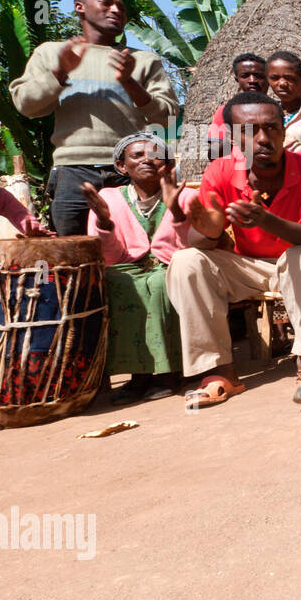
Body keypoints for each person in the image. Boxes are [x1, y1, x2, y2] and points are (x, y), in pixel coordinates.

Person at [167, 91, 301, 407]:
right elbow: (200, 243)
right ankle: (218, 371)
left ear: (284, 131)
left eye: (271, 128)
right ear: (231, 136)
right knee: (186, 261)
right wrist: (208, 228)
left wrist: (264, 219)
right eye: (249, 131)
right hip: (247, 266)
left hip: (295, 263)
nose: (263, 138)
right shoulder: (220, 172)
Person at [9, 0, 179, 236]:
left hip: (131, 173)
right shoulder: (52, 53)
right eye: (107, 3)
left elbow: (168, 118)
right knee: (74, 258)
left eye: (121, 7)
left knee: (138, 253)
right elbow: (26, 105)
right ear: (80, 8)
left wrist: (130, 83)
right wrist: (60, 72)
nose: (117, 10)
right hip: (73, 172)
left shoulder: (144, 61)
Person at [82, 132, 196, 404]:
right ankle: (138, 375)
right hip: (126, 265)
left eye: (157, 156)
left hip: (171, 262)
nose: (148, 160)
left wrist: (177, 212)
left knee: (158, 283)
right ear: (122, 166)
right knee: (119, 282)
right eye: (137, 155)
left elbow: (193, 244)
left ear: (168, 165)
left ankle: (168, 372)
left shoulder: (186, 196)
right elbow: (108, 256)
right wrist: (105, 224)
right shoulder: (108, 198)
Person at [206, 53, 268, 149]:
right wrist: (233, 139)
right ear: (237, 79)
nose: (252, 80)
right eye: (245, 76)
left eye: (258, 75)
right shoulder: (225, 112)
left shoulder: (277, 111)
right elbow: (213, 153)